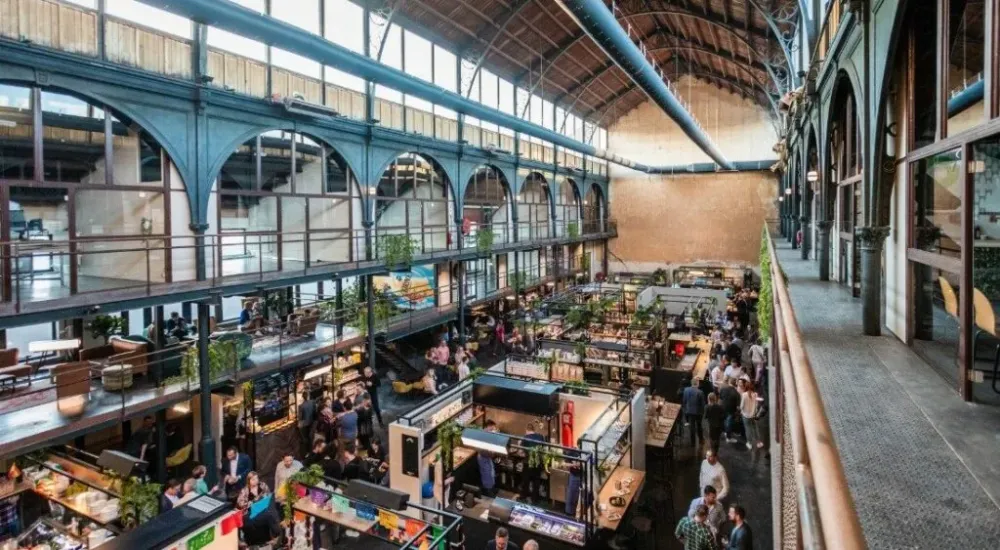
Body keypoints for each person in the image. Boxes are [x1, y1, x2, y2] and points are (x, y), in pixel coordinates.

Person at [519, 422, 546, 503]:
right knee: (536, 481)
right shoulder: (541, 436)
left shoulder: (525, 437)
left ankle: (523, 497)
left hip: (528, 462)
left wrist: (522, 450)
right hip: (538, 462)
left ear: (526, 430)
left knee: (525, 480)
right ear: (533, 430)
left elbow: (520, 452)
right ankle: (535, 499)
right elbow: (543, 448)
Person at [682, 377, 706, 446]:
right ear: (697, 383)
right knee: (699, 426)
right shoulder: (700, 392)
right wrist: (703, 412)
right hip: (698, 413)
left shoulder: (686, 390)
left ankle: (693, 442)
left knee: (691, 427)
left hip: (689, 411)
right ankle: (701, 440)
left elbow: (684, 401)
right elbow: (703, 404)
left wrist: (685, 409)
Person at [478, 420, 499, 497]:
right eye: (492, 428)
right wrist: (491, 453)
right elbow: (482, 449)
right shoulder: (483, 435)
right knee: (487, 474)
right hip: (483, 457)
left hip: (487, 456)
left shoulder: (488, 434)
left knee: (491, 473)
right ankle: (488, 491)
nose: (493, 429)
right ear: (488, 426)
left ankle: (491, 489)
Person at [739, 380, 762, 451]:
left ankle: (749, 443)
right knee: (755, 428)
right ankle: (759, 442)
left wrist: (741, 411)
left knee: (748, 429)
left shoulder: (744, 395)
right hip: (753, 415)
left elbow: (741, 406)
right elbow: (757, 405)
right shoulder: (755, 394)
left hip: (745, 415)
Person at [719, 378, 741, 443]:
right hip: (731, 410)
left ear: (729, 382)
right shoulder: (737, 393)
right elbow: (738, 406)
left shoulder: (723, 389)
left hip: (723, 408)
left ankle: (725, 432)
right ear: (735, 384)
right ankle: (728, 438)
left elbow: (720, 399)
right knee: (729, 423)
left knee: (724, 421)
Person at [297, 391, 315, 456]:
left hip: (304, 424)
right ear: (308, 396)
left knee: (305, 439)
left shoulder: (301, 406)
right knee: (311, 437)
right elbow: (314, 412)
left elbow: (300, 417)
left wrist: (299, 424)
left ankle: (307, 452)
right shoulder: (312, 402)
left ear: (303, 397)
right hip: (312, 422)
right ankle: (311, 451)